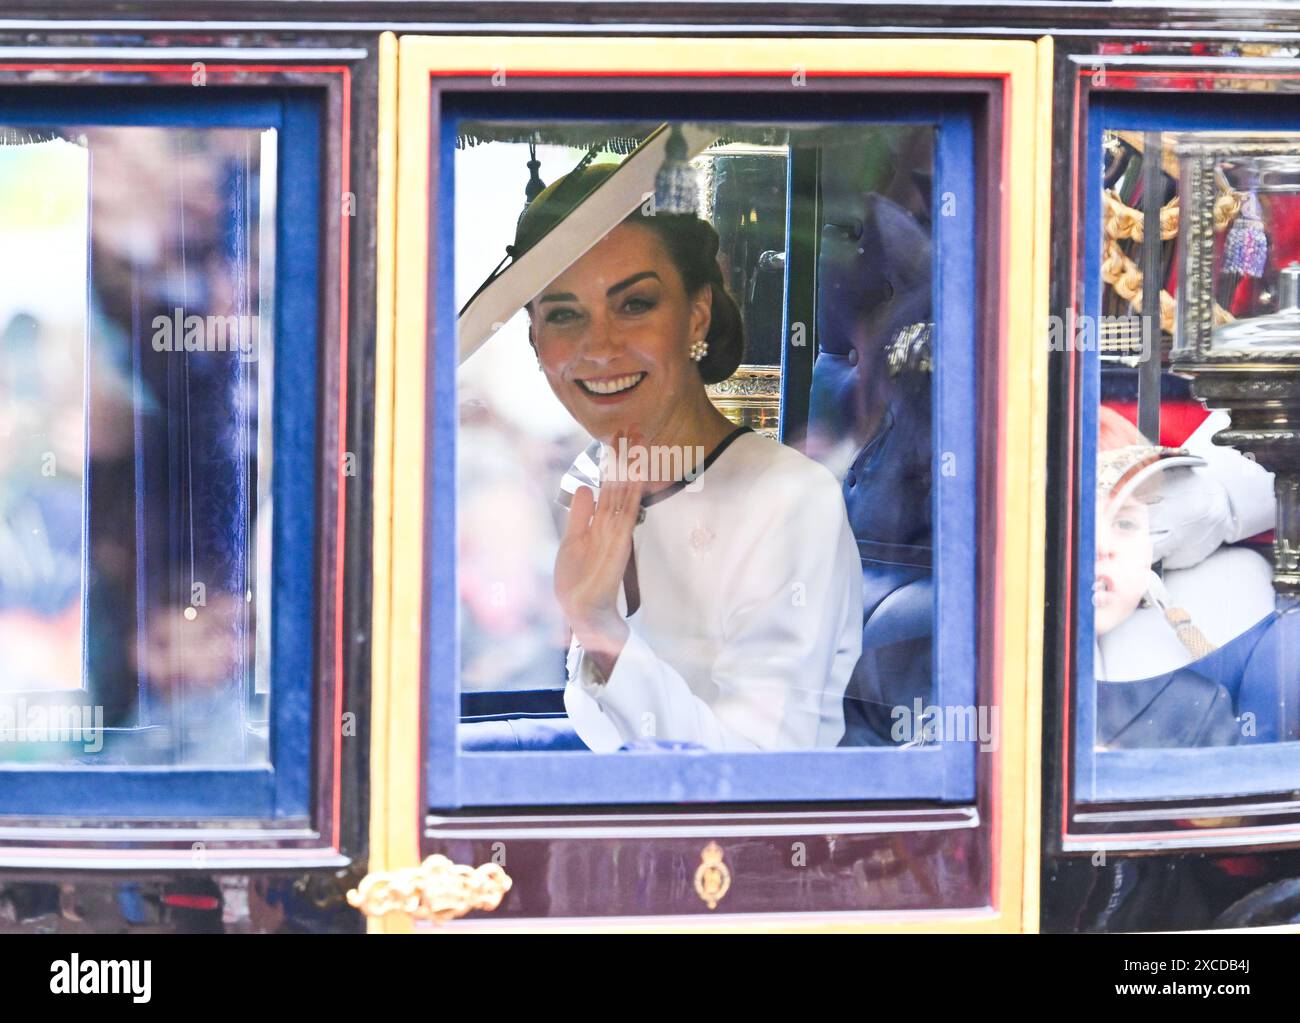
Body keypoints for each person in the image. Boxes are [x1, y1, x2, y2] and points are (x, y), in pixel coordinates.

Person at [505, 161, 863, 751]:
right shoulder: (594, 480)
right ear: (535, 338)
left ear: (695, 314)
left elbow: (754, 779)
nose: (599, 349)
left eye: (635, 304)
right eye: (565, 314)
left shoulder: (790, 502)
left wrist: (599, 626)